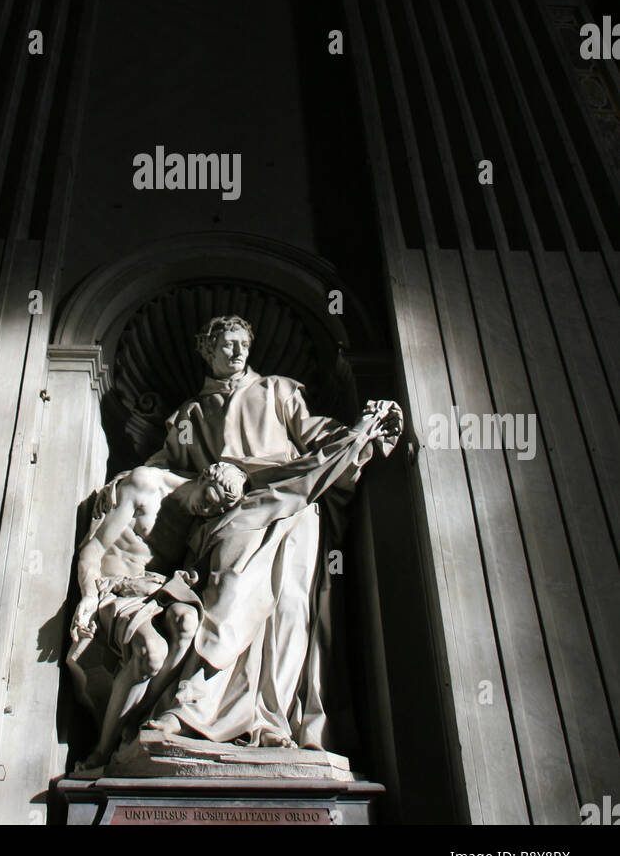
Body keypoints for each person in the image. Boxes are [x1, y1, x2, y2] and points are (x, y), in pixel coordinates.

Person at [137, 315, 402, 750]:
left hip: (295, 507)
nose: (239, 352)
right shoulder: (190, 414)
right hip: (233, 512)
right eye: (227, 344)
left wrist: (361, 435)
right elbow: (165, 473)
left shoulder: (277, 390)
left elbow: (316, 434)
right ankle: (193, 706)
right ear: (206, 349)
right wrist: (135, 490)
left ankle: (273, 721)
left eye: (244, 343)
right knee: (230, 595)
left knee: (290, 612)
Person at [68, 460, 247, 768]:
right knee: (152, 653)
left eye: (213, 511)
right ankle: (103, 752)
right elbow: (93, 549)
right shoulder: (145, 485)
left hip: (155, 591)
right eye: (206, 501)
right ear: (204, 476)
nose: (204, 511)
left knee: (188, 622)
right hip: (115, 590)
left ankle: (137, 722)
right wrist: (88, 596)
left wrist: (186, 577)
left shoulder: (201, 518)